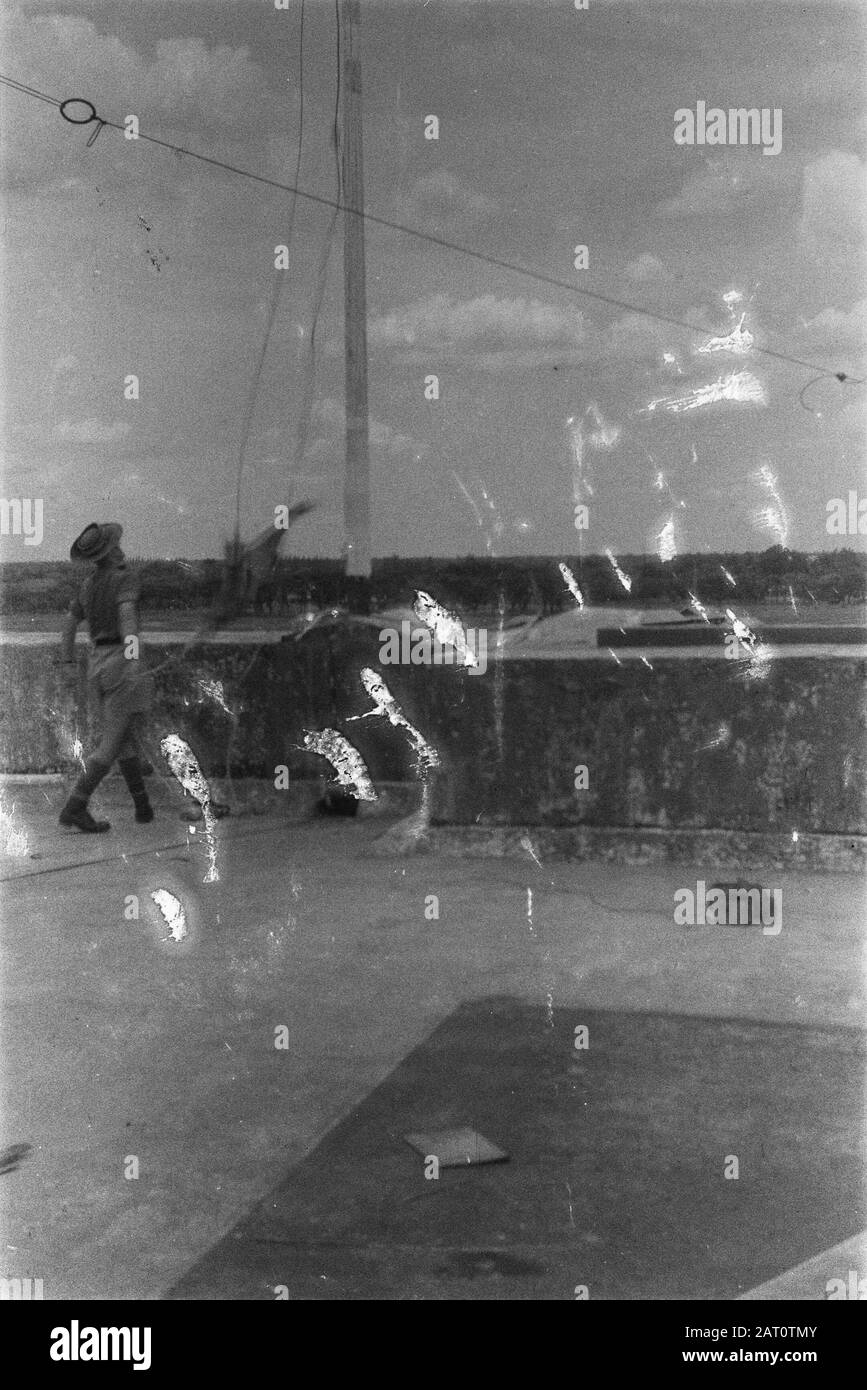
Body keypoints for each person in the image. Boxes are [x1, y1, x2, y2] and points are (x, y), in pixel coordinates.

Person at [57, 523, 154, 832]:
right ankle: (75, 806)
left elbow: (70, 625)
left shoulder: (88, 585)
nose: (120, 546)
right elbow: (127, 618)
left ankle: (143, 808)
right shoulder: (125, 578)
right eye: (116, 544)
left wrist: (68, 661)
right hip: (119, 662)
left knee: (122, 739)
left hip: (97, 664)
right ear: (110, 550)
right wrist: (133, 656)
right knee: (111, 745)